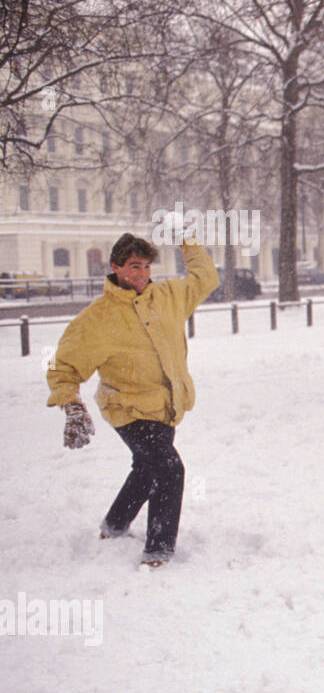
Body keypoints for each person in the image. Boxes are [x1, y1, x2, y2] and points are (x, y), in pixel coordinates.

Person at [46, 231, 219, 566]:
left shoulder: (169, 297)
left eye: (145, 266)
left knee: (147, 469)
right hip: (126, 409)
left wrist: (187, 241)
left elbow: (205, 278)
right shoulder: (97, 319)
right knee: (169, 469)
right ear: (115, 267)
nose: (140, 274)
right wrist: (72, 407)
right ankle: (158, 550)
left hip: (165, 406)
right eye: (133, 266)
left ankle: (113, 526)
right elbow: (63, 367)